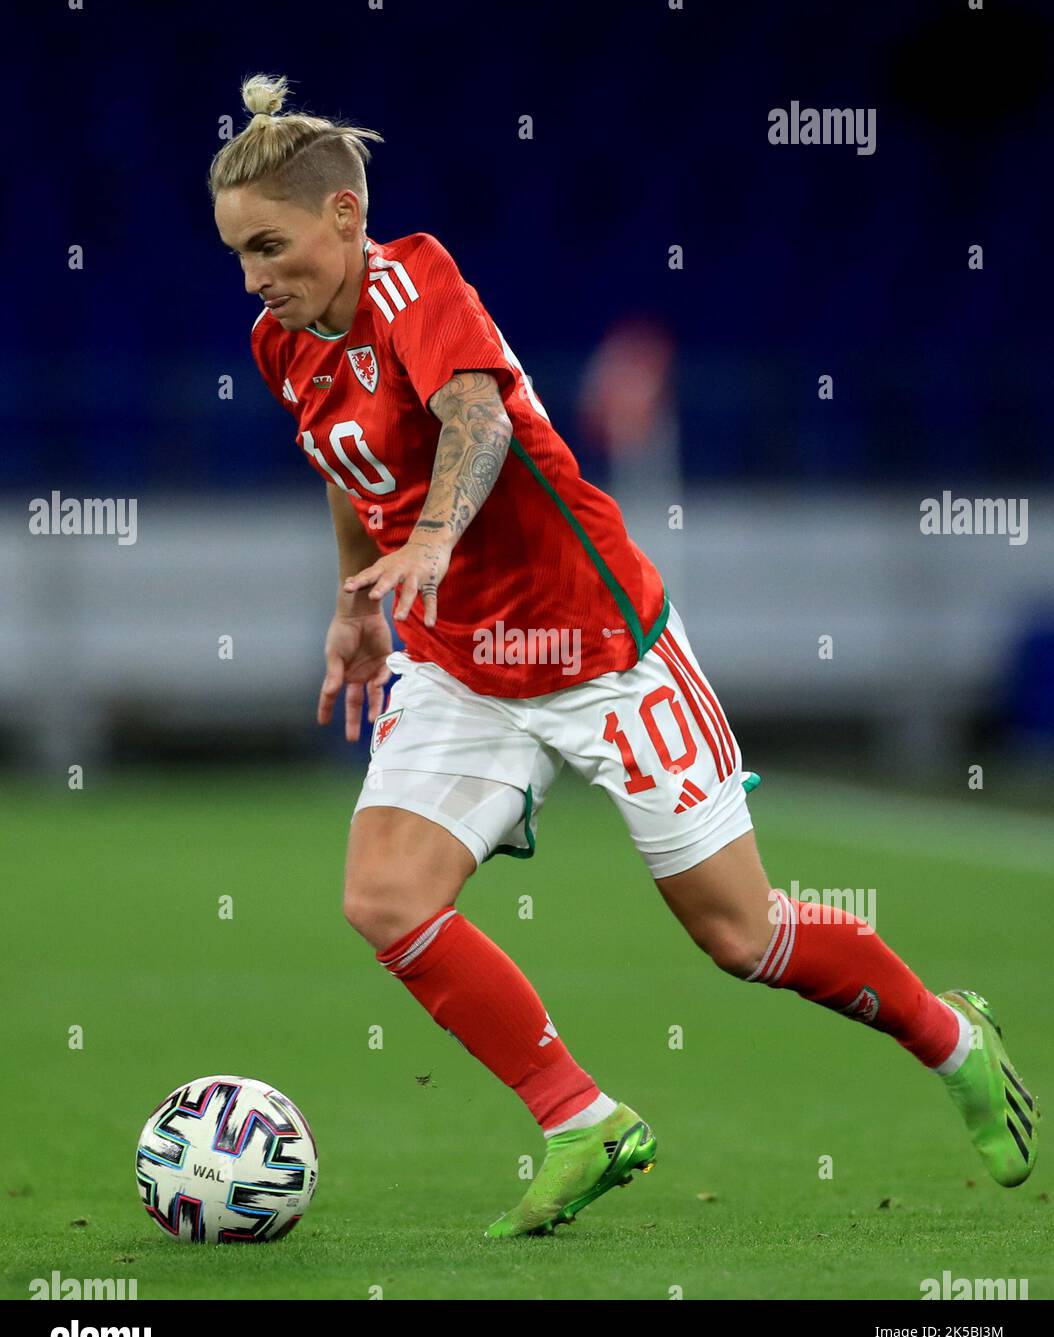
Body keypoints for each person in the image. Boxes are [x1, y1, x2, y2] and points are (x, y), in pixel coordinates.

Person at [210, 73, 1037, 1237]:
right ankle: (580, 1120)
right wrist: (354, 608)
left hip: (605, 651)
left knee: (737, 935)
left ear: (344, 217)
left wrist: (435, 536)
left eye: (270, 246)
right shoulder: (279, 343)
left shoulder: (416, 279)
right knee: (384, 896)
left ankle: (950, 1038)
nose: (254, 278)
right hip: (457, 661)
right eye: (239, 255)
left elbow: (476, 418)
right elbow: (347, 462)